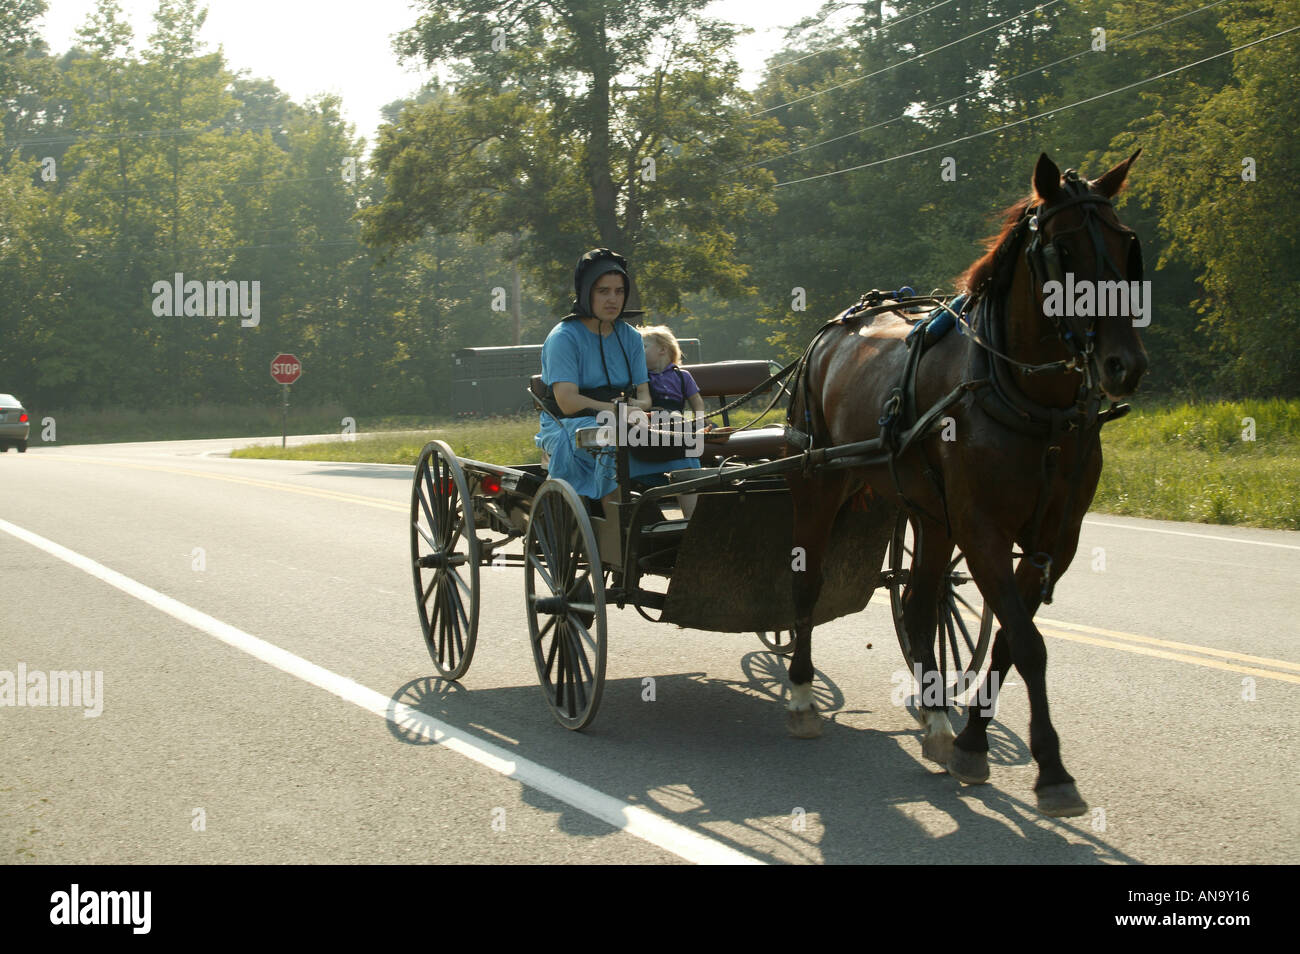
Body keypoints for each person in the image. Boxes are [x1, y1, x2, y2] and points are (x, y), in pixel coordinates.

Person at [535, 249, 701, 519]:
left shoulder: (630, 338)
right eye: (603, 291)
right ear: (587, 292)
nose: (613, 299)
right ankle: (618, 535)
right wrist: (616, 410)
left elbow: (645, 398)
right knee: (613, 444)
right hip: (569, 423)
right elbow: (567, 402)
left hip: (622, 419)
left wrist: (631, 409)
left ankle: (694, 533)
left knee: (685, 443)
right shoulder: (563, 338)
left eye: (619, 291)